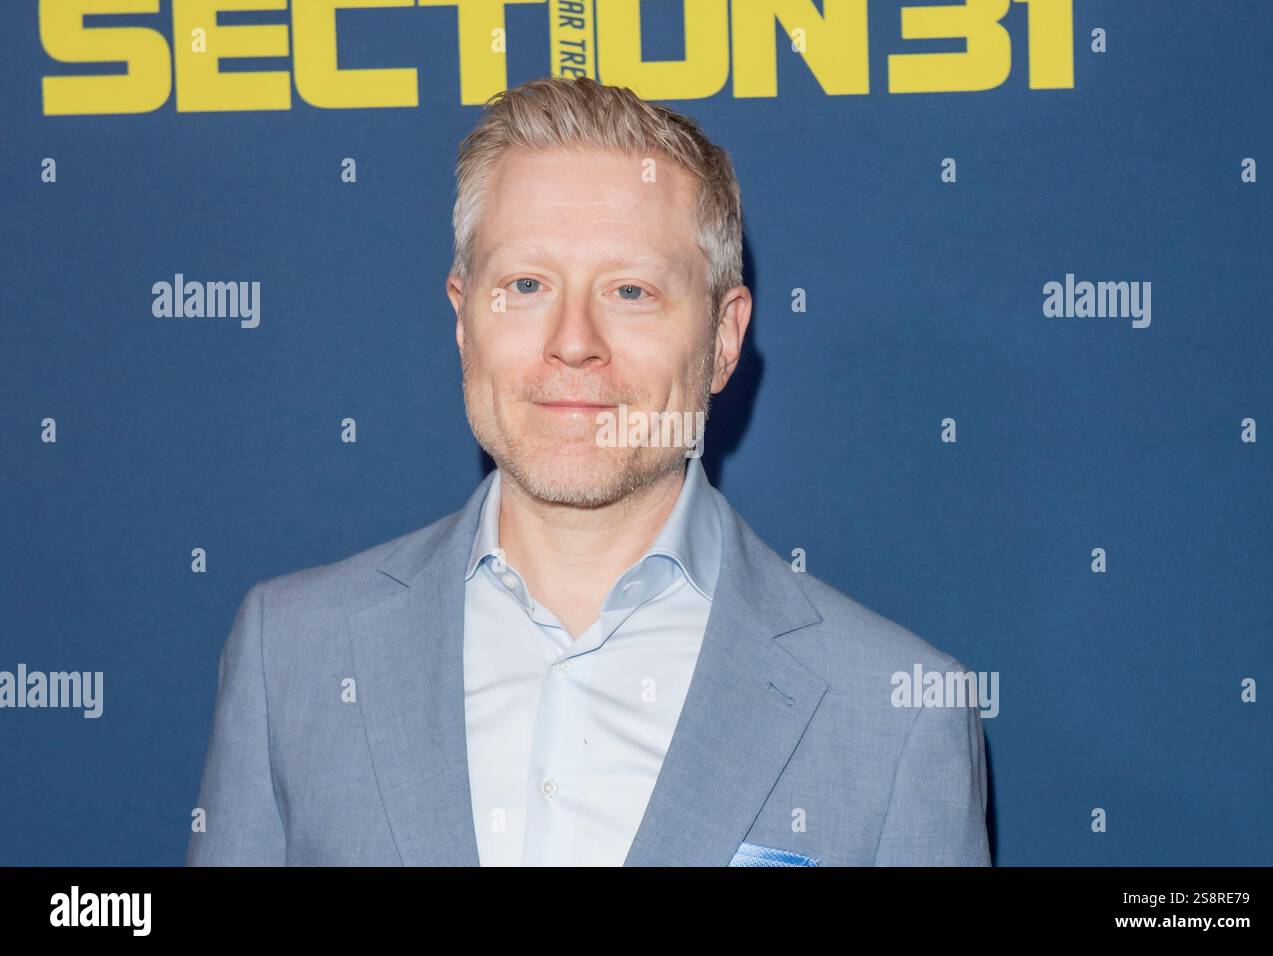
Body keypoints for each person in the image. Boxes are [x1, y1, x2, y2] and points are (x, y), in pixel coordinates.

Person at [186, 75, 990, 867]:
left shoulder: (896, 713)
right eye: (527, 285)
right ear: (464, 320)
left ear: (723, 337)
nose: (574, 341)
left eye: (631, 290)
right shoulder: (290, 653)